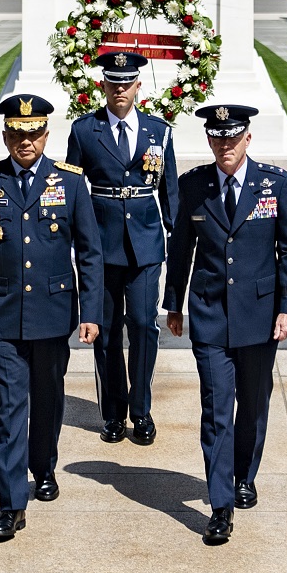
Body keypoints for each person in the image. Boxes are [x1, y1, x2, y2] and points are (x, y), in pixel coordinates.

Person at [0, 95, 103, 543]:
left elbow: (91, 254)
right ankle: (11, 504)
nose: (25, 141)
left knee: (48, 398)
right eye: (17, 134)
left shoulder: (72, 183)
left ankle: (43, 466)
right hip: (1, 314)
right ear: (5, 136)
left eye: (33, 133)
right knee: (7, 407)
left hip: (54, 313)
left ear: (46, 135)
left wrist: (91, 313)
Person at [165, 104, 287, 545]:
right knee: (216, 408)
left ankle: (245, 475)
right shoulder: (194, 187)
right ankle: (221, 503)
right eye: (217, 137)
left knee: (253, 404)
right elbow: (181, 248)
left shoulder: (275, 184)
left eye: (233, 137)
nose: (225, 145)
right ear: (209, 140)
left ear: (248, 139)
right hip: (209, 314)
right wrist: (173, 305)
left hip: (260, 317)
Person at [65, 52, 178, 446]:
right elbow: (73, 192)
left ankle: (141, 409)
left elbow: (170, 192)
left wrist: (175, 239)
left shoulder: (158, 132)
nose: (119, 89)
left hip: (146, 245)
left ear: (138, 87)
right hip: (101, 244)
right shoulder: (84, 131)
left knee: (145, 328)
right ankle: (112, 413)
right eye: (112, 82)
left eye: (126, 83)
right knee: (107, 332)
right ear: (103, 85)